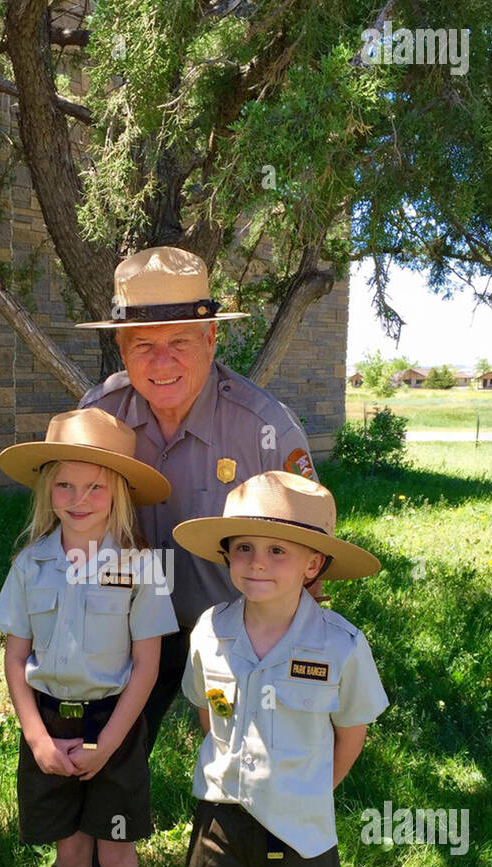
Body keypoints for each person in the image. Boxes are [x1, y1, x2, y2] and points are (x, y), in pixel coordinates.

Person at [170, 471, 388, 867]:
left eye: (278, 550)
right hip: (224, 815)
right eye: (243, 549)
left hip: (300, 828)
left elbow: (350, 733)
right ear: (226, 556)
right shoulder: (210, 630)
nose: (257, 563)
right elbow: (211, 715)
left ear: (314, 562)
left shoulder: (341, 645)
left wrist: (311, 792)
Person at [75, 244, 322, 754]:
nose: (161, 362)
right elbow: (70, 524)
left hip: (235, 628)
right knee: (105, 753)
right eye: (143, 345)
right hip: (127, 621)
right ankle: (115, 826)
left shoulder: (264, 429)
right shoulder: (99, 415)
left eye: (180, 342)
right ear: (121, 348)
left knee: (245, 757)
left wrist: (301, 656)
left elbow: (309, 551)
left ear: (211, 339)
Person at [0, 408, 179, 867]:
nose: (79, 499)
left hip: (113, 725)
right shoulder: (29, 564)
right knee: (70, 850)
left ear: (119, 493)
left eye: (96, 486)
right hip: (48, 722)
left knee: (115, 852)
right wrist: (39, 740)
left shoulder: (140, 566)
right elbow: (15, 659)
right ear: (47, 490)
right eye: (64, 486)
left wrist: (111, 744)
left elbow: (149, 666)